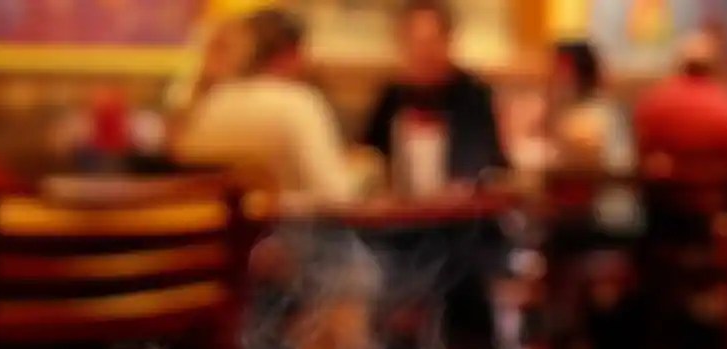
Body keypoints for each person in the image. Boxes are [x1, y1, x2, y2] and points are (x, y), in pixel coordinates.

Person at [175, 9, 356, 208]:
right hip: (287, 235)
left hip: (214, 236)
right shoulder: (297, 103)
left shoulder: (212, 103)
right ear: (293, 53)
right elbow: (335, 196)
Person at [362, 0, 508, 187]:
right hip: (399, 212)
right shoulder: (392, 97)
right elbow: (370, 156)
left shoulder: (473, 96)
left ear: (448, 42)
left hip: (460, 212)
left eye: (431, 43)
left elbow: (482, 166)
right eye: (414, 43)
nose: (423, 53)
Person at [632, 31, 727, 176]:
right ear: (713, 67)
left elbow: (641, 155)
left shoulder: (654, 102)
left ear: (679, 65)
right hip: (714, 195)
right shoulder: (726, 104)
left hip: (666, 194)